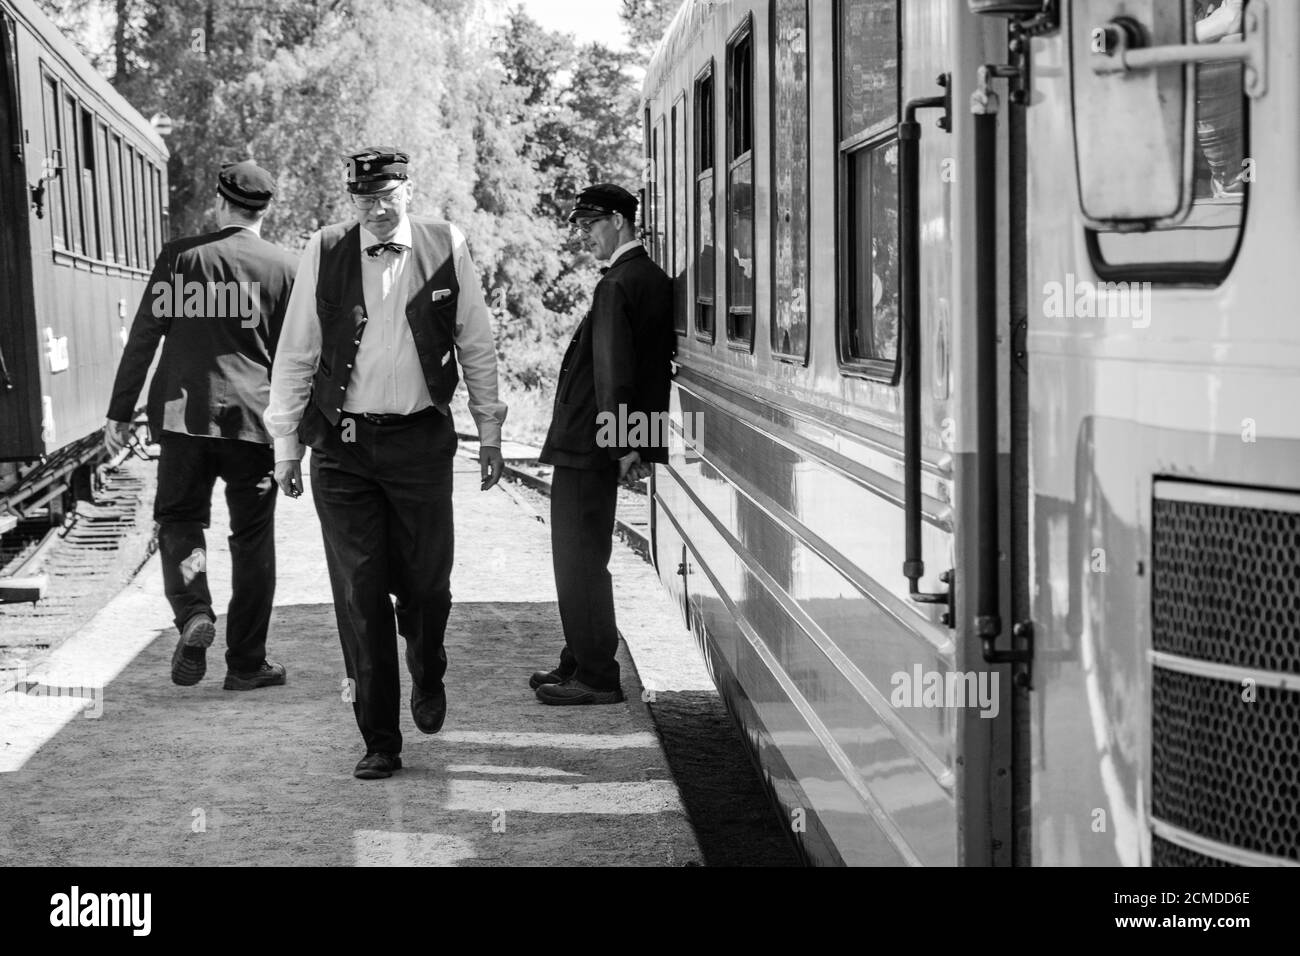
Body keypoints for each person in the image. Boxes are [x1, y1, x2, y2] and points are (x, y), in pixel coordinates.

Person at [265, 147, 506, 780]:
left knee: (427, 587)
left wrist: (490, 430)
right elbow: (296, 353)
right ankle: (379, 739)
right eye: (361, 198)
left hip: (421, 443)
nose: (373, 209)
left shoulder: (445, 242)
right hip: (343, 449)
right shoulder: (325, 248)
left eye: (384, 196)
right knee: (359, 593)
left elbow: (475, 341)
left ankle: (427, 664)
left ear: (407, 189)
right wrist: (285, 444)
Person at [104, 160, 298, 690]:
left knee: (180, 522)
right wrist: (300, 433)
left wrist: (120, 411)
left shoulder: (181, 258)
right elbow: (297, 356)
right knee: (253, 541)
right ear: (266, 209)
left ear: (219, 203)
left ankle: (193, 611)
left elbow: (144, 335)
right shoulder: (286, 268)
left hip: (183, 419)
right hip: (255, 426)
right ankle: (246, 664)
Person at [532, 183, 673, 705]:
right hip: (607, 440)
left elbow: (615, 372)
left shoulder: (617, 283)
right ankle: (579, 657)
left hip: (590, 443)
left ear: (618, 220)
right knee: (585, 553)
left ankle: (595, 675)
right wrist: (637, 442)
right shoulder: (649, 278)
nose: (586, 236)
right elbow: (647, 372)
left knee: (577, 558)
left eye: (591, 225)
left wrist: (620, 448)